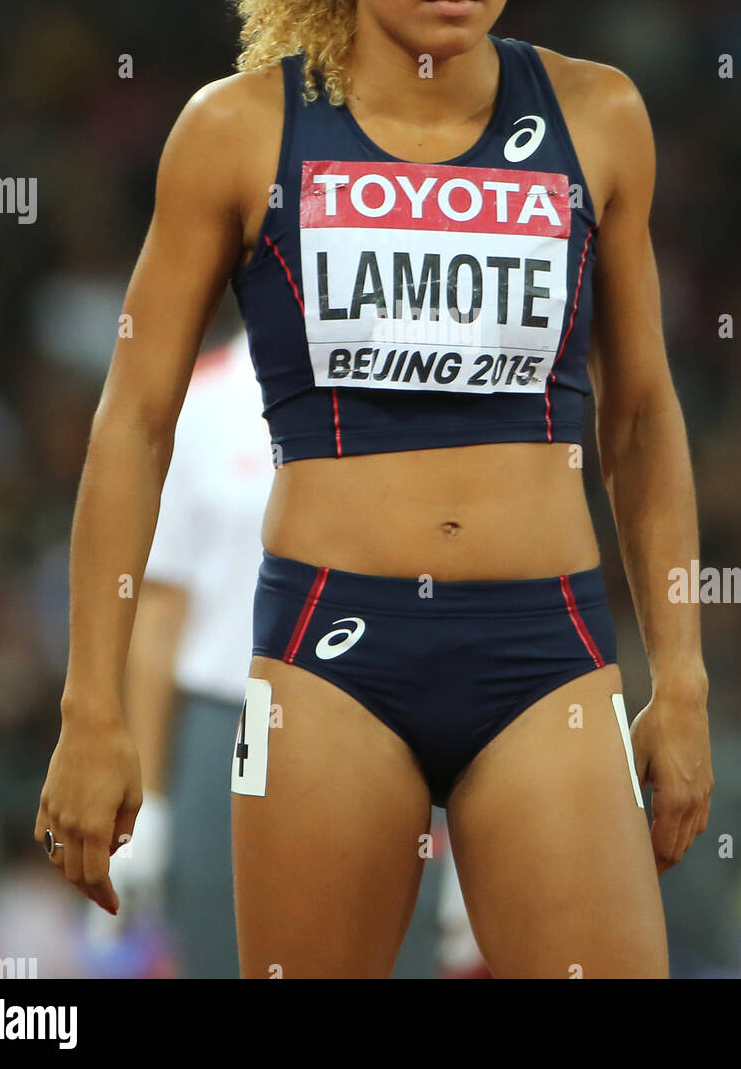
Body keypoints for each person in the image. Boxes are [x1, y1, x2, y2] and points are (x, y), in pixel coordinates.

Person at [36, 0, 713, 980]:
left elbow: (643, 413)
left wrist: (685, 673)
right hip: (325, 656)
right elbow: (133, 424)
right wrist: (93, 707)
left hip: (545, 644)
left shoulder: (598, 116)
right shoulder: (238, 130)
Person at [85, 326, 466, 977]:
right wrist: (149, 803)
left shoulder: (408, 394)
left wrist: (464, 824)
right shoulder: (197, 401)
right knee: (224, 960)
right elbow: (157, 613)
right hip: (224, 727)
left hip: (384, 722)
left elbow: (446, 610)